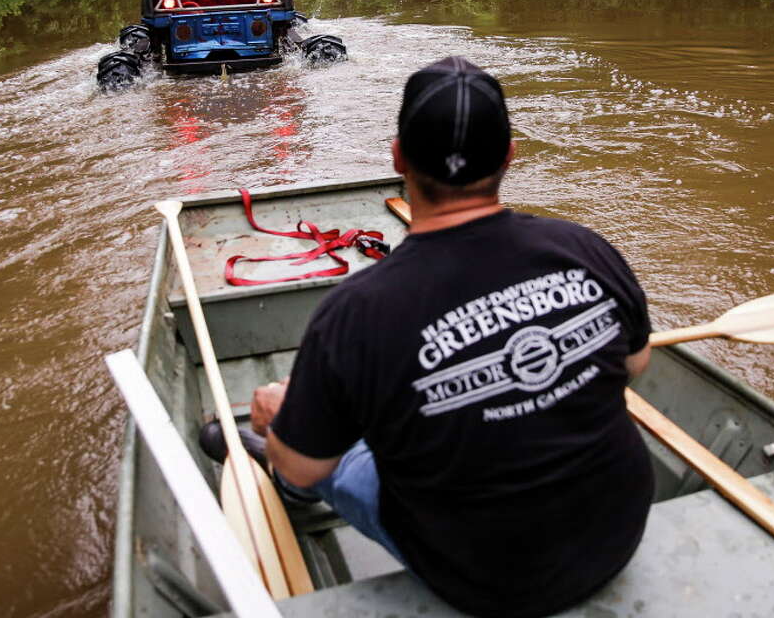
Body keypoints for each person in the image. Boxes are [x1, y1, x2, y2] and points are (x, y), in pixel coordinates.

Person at [251, 56, 655, 617]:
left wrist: (283, 413)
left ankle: (292, 485)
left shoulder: (354, 314)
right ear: (511, 155)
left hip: (484, 579)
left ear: (397, 157)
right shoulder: (586, 248)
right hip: (618, 530)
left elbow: (303, 465)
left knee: (302, 447)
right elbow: (634, 366)